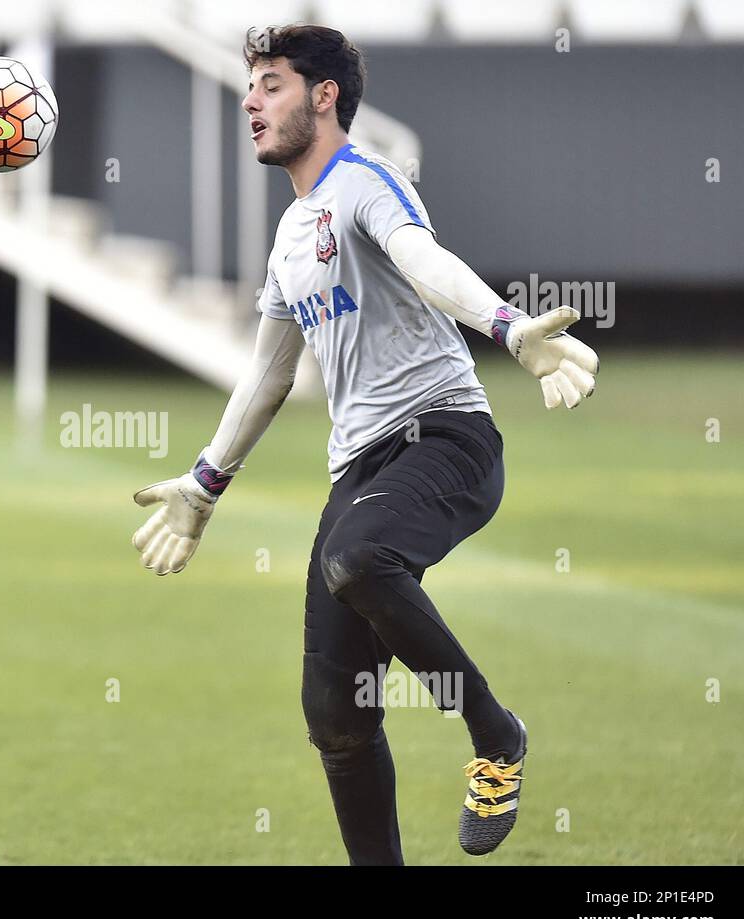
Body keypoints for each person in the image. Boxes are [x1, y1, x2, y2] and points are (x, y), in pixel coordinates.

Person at [130, 25, 599, 863]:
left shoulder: (366, 181)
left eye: (270, 84)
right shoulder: (289, 235)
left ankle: (496, 735)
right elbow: (270, 374)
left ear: (323, 96)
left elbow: (424, 260)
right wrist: (204, 485)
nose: (250, 102)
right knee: (335, 719)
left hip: (445, 439)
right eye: (252, 86)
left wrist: (509, 325)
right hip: (361, 468)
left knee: (357, 560)